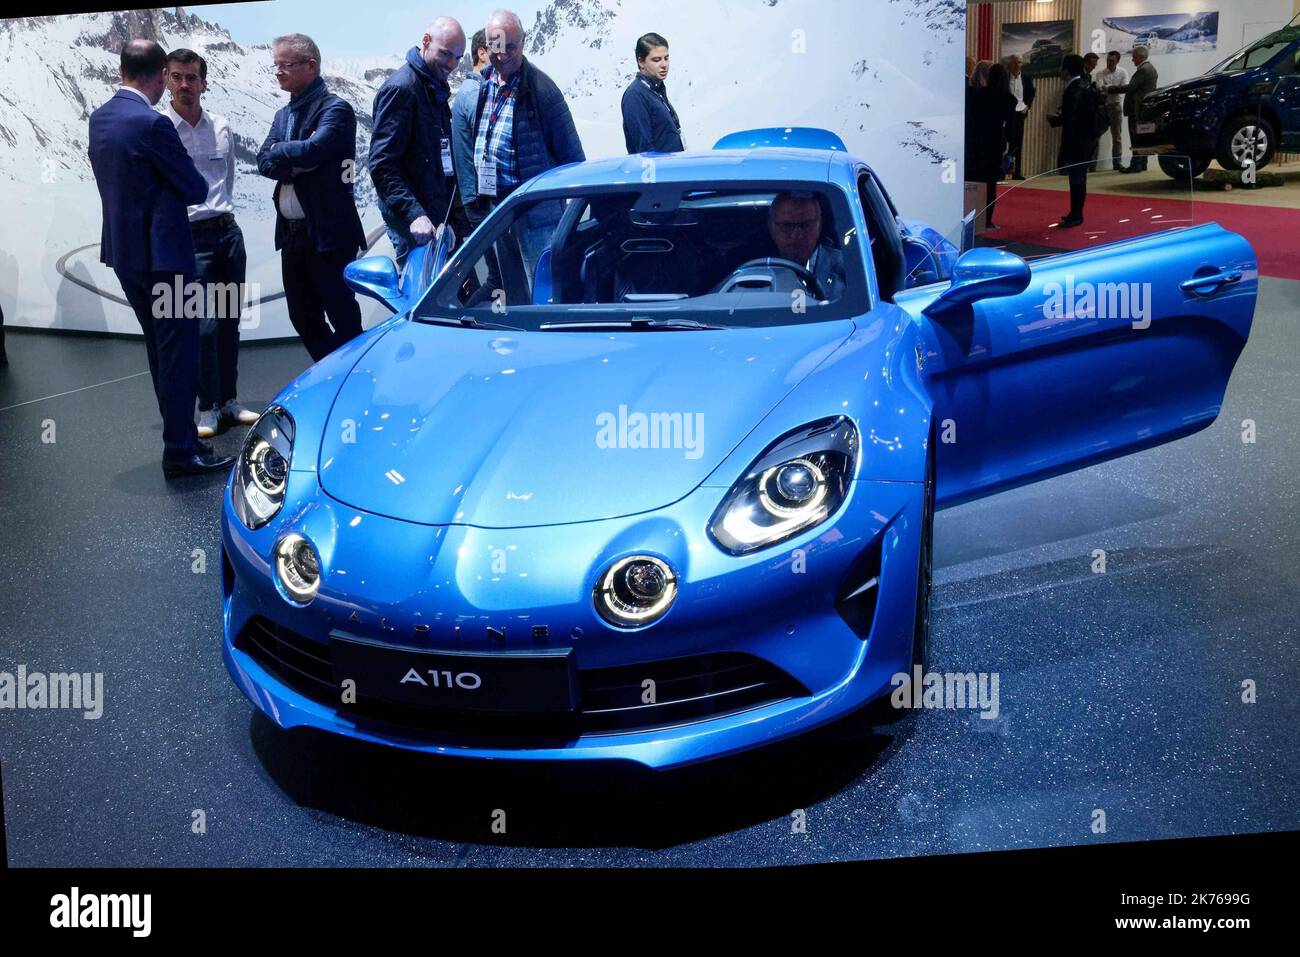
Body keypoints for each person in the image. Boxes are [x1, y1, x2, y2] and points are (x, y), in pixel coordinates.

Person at [88, 39, 233, 477]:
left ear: (121, 68)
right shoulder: (152, 124)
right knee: (180, 354)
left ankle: (180, 441)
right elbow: (194, 188)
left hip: (126, 255)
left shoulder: (100, 118)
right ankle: (180, 451)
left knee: (159, 351)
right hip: (167, 259)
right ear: (157, 78)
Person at [162, 48, 258, 440]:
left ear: (204, 82)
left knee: (229, 324)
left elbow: (227, 179)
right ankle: (208, 406)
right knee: (202, 328)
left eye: (193, 77)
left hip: (227, 235)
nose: (186, 84)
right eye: (177, 77)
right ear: (167, 79)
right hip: (190, 239)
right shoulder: (160, 128)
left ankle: (230, 401)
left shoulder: (220, 125)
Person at [257, 33, 366, 362]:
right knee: (302, 316)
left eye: (285, 65)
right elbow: (264, 160)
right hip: (292, 236)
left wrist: (283, 152)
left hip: (328, 235)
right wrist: (293, 165)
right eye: (276, 65)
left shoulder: (337, 109)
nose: (278, 71)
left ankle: (351, 379)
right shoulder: (282, 115)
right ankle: (334, 372)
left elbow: (316, 149)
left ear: (310, 65)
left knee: (342, 313)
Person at [469, 9, 584, 276]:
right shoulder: (486, 85)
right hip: (500, 213)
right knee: (513, 288)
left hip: (537, 218)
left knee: (543, 287)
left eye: (512, 46)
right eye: (497, 46)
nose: (504, 54)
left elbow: (574, 160)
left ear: (523, 41)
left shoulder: (542, 90)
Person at [369, 17, 466, 270]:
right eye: (446, 54)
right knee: (420, 301)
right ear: (425, 41)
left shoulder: (434, 86)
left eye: (457, 57)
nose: (452, 64)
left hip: (436, 222)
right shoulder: (403, 89)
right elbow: (382, 165)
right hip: (414, 229)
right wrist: (414, 214)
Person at [1048, 54, 1099, 227]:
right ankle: (1075, 212)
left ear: (1067, 69)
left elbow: (1072, 118)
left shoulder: (1074, 89)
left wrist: (1056, 120)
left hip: (1078, 140)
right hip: (1086, 139)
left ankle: (1076, 214)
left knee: (1077, 178)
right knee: (1078, 177)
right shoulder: (1081, 85)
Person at [966, 62, 1016, 228]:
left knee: (975, 180)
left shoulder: (977, 95)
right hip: (994, 143)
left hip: (975, 142)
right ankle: (987, 220)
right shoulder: (1009, 99)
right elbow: (1011, 126)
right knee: (990, 182)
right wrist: (1012, 148)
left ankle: (971, 217)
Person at [452, 29, 490, 236]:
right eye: (498, 49)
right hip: (480, 198)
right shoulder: (474, 94)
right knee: (503, 266)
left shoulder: (471, 90)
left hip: (477, 195)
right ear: (482, 53)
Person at [622, 32, 684, 154]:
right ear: (641, 62)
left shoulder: (657, 89)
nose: (664, 65)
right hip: (658, 171)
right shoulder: (635, 96)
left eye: (666, 58)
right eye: (656, 60)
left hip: (672, 168)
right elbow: (644, 149)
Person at [1109, 45, 1157, 173]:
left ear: (1141, 57)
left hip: (1137, 110)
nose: (1132, 60)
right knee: (1143, 138)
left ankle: (1135, 165)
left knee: (1136, 138)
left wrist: (1111, 89)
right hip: (1143, 110)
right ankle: (1142, 164)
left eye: (1134, 57)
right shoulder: (1150, 68)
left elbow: (1130, 87)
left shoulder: (1143, 70)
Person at [1095, 50, 1129, 171]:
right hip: (1103, 106)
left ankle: (1117, 163)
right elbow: (1099, 88)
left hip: (1115, 105)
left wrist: (1108, 87)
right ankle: (1092, 164)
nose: (1109, 63)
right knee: (1096, 134)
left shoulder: (1123, 72)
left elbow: (1124, 88)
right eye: (1108, 60)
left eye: (1112, 61)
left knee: (1117, 136)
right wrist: (1112, 88)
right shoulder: (1100, 73)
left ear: (1117, 61)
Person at [1005, 54, 1035, 179]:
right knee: (1004, 142)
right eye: (1016, 62)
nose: (1018, 65)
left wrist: (1027, 106)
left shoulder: (1027, 78)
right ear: (1010, 64)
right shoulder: (1004, 78)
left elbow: (1031, 93)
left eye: (1020, 63)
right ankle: (1002, 171)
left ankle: (1017, 171)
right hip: (1006, 115)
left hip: (1020, 115)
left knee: (1018, 143)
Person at [1082, 52, 1101, 171]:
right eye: (1093, 64)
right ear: (1086, 63)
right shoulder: (1080, 76)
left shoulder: (1088, 76)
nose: (1094, 67)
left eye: (1095, 65)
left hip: (1091, 112)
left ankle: (1090, 165)